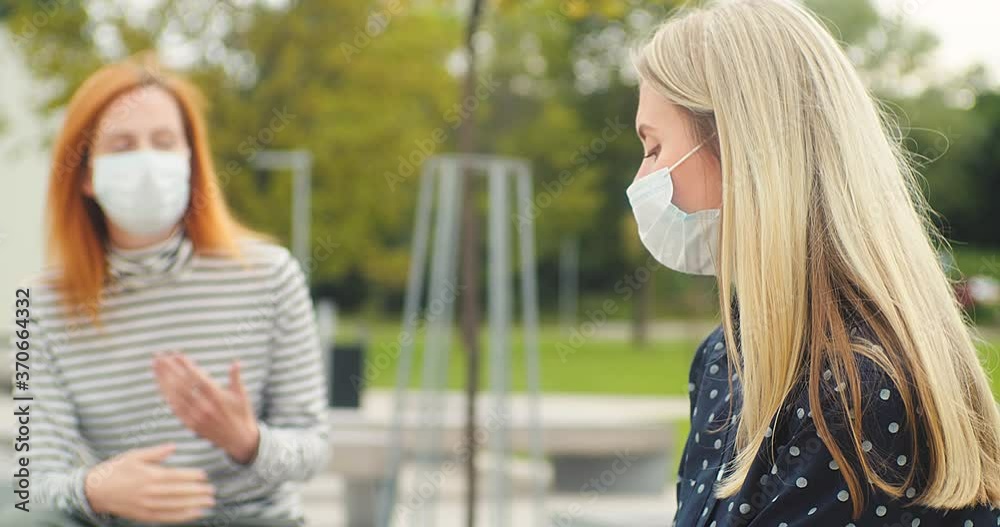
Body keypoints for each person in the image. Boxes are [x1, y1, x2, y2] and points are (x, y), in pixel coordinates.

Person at [624, 1, 1000, 525]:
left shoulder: (853, 396)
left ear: (741, 147)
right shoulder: (726, 355)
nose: (642, 180)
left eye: (654, 148)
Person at [10, 52, 328, 526]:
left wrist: (246, 441)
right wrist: (97, 489)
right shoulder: (37, 306)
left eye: (163, 142)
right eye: (122, 145)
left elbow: (312, 449)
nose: (146, 161)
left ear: (191, 161)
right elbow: (29, 486)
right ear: (86, 175)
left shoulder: (270, 275)